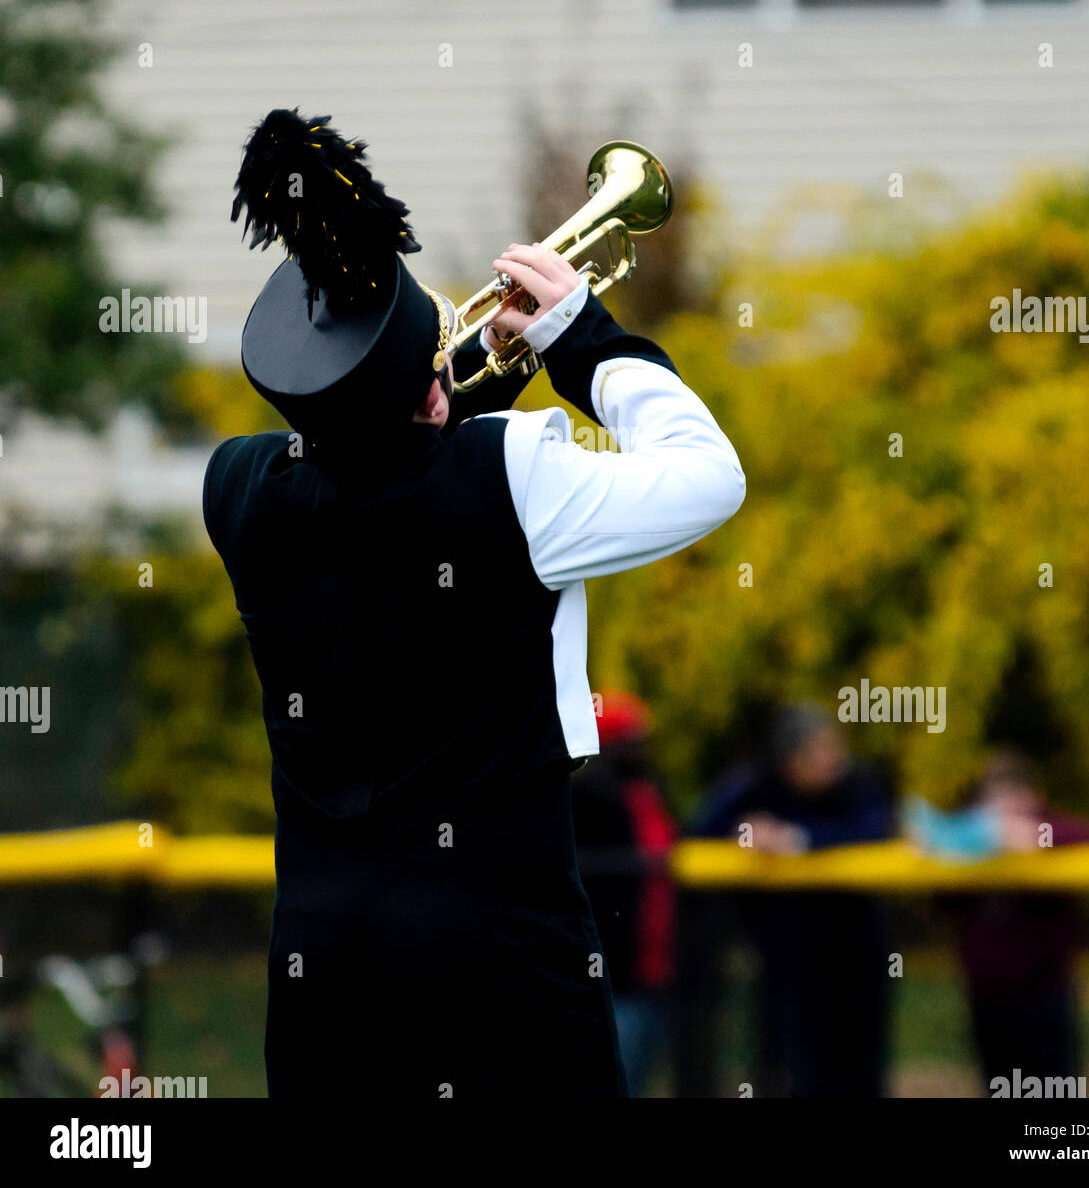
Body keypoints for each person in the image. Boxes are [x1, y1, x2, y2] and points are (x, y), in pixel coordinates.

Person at [203, 109, 745, 1098]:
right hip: (504, 954)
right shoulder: (516, 472)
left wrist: (440, 391)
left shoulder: (238, 490)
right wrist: (582, 337)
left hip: (323, 965)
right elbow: (709, 476)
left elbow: (381, 474)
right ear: (429, 399)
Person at [692, 702, 894, 1097]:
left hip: (857, 955)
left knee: (859, 1069)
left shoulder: (859, 784)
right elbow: (697, 833)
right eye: (820, 750)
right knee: (793, 1069)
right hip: (789, 960)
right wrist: (745, 832)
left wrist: (795, 840)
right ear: (789, 759)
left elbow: (874, 831)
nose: (834, 759)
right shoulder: (756, 786)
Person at [916, 748, 1089, 1091]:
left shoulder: (1052, 829)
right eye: (996, 801)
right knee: (998, 1081)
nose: (1004, 813)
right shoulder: (970, 841)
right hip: (986, 995)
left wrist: (1037, 837)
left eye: (1015, 798)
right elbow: (942, 902)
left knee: (1054, 1084)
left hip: (1045, 992)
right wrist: (946, 850)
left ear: (1036, 797)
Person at [570, 690, 678, 1096]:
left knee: (643, 1073)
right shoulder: (589, 793)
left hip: (657, 962)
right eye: (630, 738)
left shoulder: (650, 790)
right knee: (616, 1074)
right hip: (615, 968)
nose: (639, 747)